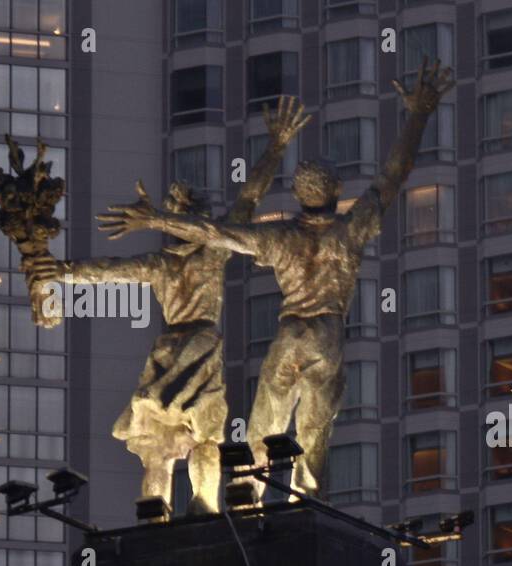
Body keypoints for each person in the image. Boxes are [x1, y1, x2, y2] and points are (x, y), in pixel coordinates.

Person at [98, 60, 454, 499]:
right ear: (337, 191)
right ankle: (306, 494)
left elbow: (217, 232)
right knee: (314, 423)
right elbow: (394, 174)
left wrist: (159, 219)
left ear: (298, 194)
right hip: (327, 334)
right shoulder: (351, 229)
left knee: (268, 418)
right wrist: (418, 113)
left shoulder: (280, 239)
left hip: (291, 333)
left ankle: (248, 484)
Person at [31, 96, 309, 513]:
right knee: (203, 439)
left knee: (165, 446)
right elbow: (248, 199)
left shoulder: (165, 263)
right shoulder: (206, 255)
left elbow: (107, 270)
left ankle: (161, 506)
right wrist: (276, 146)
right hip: (196, 346)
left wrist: (58, 268)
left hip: (172, 351)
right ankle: (197, 504)